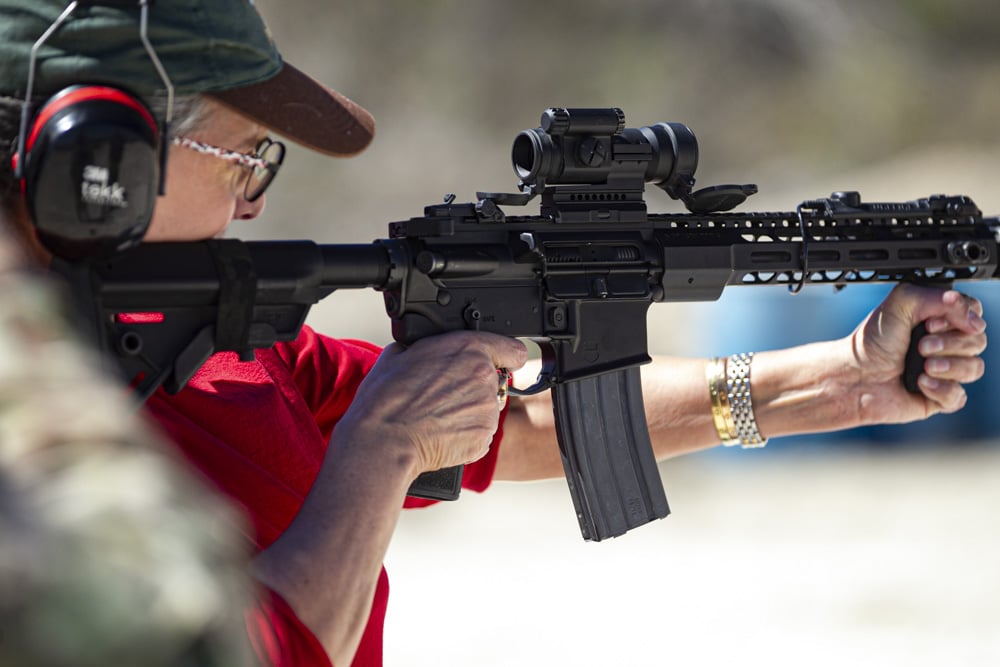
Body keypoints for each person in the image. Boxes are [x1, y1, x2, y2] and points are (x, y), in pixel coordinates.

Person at [0, 1, 987, 666]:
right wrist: (379, 453)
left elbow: (508, 428)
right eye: (243, 156)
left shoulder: (210, 351)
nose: (254, 203)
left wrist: (838, 383)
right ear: (95, 158)